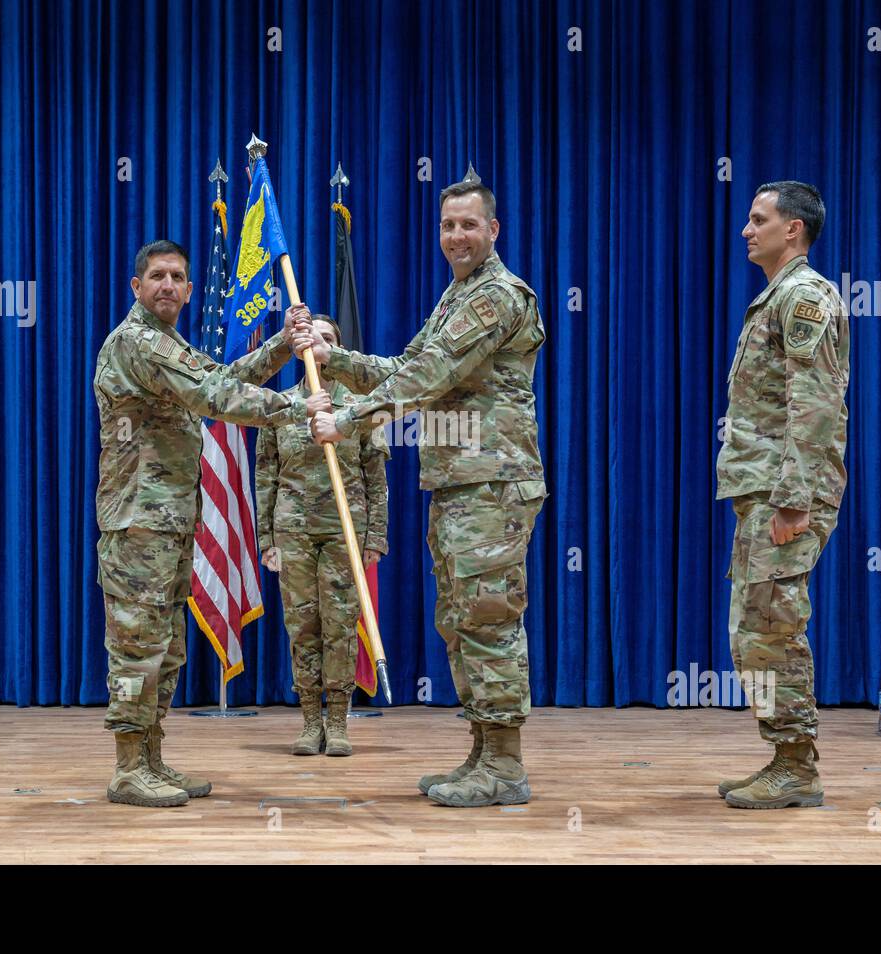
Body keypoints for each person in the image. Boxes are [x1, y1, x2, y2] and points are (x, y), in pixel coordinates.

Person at [300, 177, 546, 807]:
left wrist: (349, 419)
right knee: (461, 621)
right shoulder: (455, 297)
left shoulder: (496, 297)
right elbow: (406, 369)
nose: (456, 236)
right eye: (447, 226)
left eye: (468, 225)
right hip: (460, 481)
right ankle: (483, 752)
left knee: (489, 620)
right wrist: (337, 359)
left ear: (494, 230)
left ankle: (507, 765)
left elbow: (432, 376)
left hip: (492, 481)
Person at [94, 239, 328, 808]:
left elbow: (220, 376)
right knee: (136, 647)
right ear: (137, 287)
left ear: (191, 289)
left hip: (169, 521)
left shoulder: (168, 344)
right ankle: (128, 765)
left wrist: (280, 344)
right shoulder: (137, 342)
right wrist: (299, 408)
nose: (168, 285)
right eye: (157, 276)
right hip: (137, 524)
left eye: (177, 276)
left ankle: (150, 758)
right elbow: (217, 394)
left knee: (166, 645)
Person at [716, 181, 850, 809]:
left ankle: (797, 768)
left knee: (773, 627)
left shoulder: (803, 298)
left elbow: (817, 403)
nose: (747, 229)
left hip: (785, 493)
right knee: (754, 629)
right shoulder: (777, 296)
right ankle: (782, 757)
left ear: (792, 229)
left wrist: (795, 499)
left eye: (758, 219)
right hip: (763, 489)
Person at [256, 314, 389, 757]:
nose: (318, 347)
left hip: (345, 531)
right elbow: (265, 477)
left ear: (337, 347)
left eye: (328, 339)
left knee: (339, 629)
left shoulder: (361, 408)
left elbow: (376, 479)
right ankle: (310, 721)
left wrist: (375, 537)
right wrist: (265, 539)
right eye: (312, 340)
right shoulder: (280, 406)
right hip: (292, 530)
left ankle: (338, 721)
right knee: (303, 628)